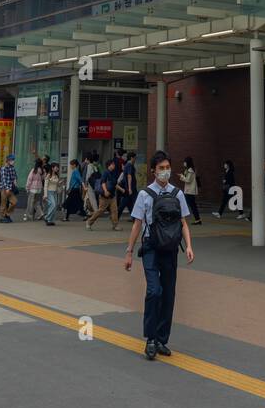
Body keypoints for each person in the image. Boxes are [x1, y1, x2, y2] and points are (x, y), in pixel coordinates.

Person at [124, 151, 195, 360]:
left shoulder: (177, 194)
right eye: (161, 168)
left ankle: (162, 339)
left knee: (169, 294)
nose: (165, 171)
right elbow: (137, 224)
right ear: (153, 171)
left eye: (167, 167)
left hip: (170, 250)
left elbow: (183, 222)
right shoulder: (145, 194)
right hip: (151, 249)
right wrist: (129, 252)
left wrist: (189, 246)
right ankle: (151, 339)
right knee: (154, 291)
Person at [86, 158, 121, 230]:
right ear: (109, 165)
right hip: (104, 196)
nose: (114, 165)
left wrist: (121, 189)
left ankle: (115, 225)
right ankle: (89, 222)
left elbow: (114, 184)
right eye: (113, 164)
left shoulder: (113, 173)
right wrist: (105, 191)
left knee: (114, 210)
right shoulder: (106, 173)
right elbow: (103, 182)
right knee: (100, 210)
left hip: (112, 195)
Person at [180, 157, 202, 224]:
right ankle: (198, 219)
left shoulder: (190, 170)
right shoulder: (188, 170)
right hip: (189, 190)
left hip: (189, 191)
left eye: (185, 162)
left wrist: (182, 177)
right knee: (192, 205)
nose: (184, 163)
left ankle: (196, 219)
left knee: (188, 205)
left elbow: (188, 180)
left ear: (187, 162)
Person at [0, 156, 18, 222]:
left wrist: (15, 183)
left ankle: (7, 214)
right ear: (8, 161)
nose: (13, 161)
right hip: (4, 188)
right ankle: (2, 217)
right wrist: (7, 188)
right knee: (3, 203)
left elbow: (15, 177)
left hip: (11, 189)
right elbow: (4, 179)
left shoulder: (12, 168)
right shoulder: (4, 168)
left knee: (14, 202)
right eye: (12, 160)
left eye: (13, 160)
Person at [43, 161, 61, 226]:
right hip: (49, 192)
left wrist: (60, 183)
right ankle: (47, 217)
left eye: (57, 168)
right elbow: (45, 185)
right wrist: (45, 195)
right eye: (56, 167)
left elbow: (57, 185)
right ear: (52, 168)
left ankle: (50, 220)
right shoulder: (48, 175)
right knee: (53, 205)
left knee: (54, 206)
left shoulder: (56, 176)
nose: (57, 169)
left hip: (54, 192)